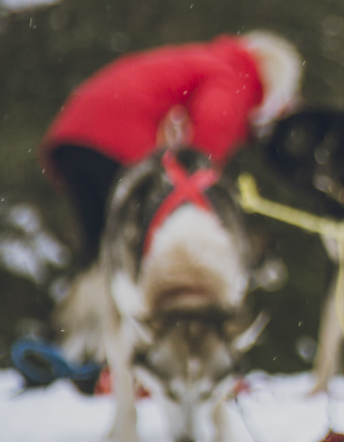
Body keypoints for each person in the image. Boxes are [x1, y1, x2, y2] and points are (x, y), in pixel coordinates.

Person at [40, 32, 302, 266]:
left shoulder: (209, 60)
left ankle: (91, 289)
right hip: (118, 140)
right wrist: (196, 187)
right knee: (140, 244)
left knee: (101, 242)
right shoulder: (235, 78)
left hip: (75, 134)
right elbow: (211, 129)